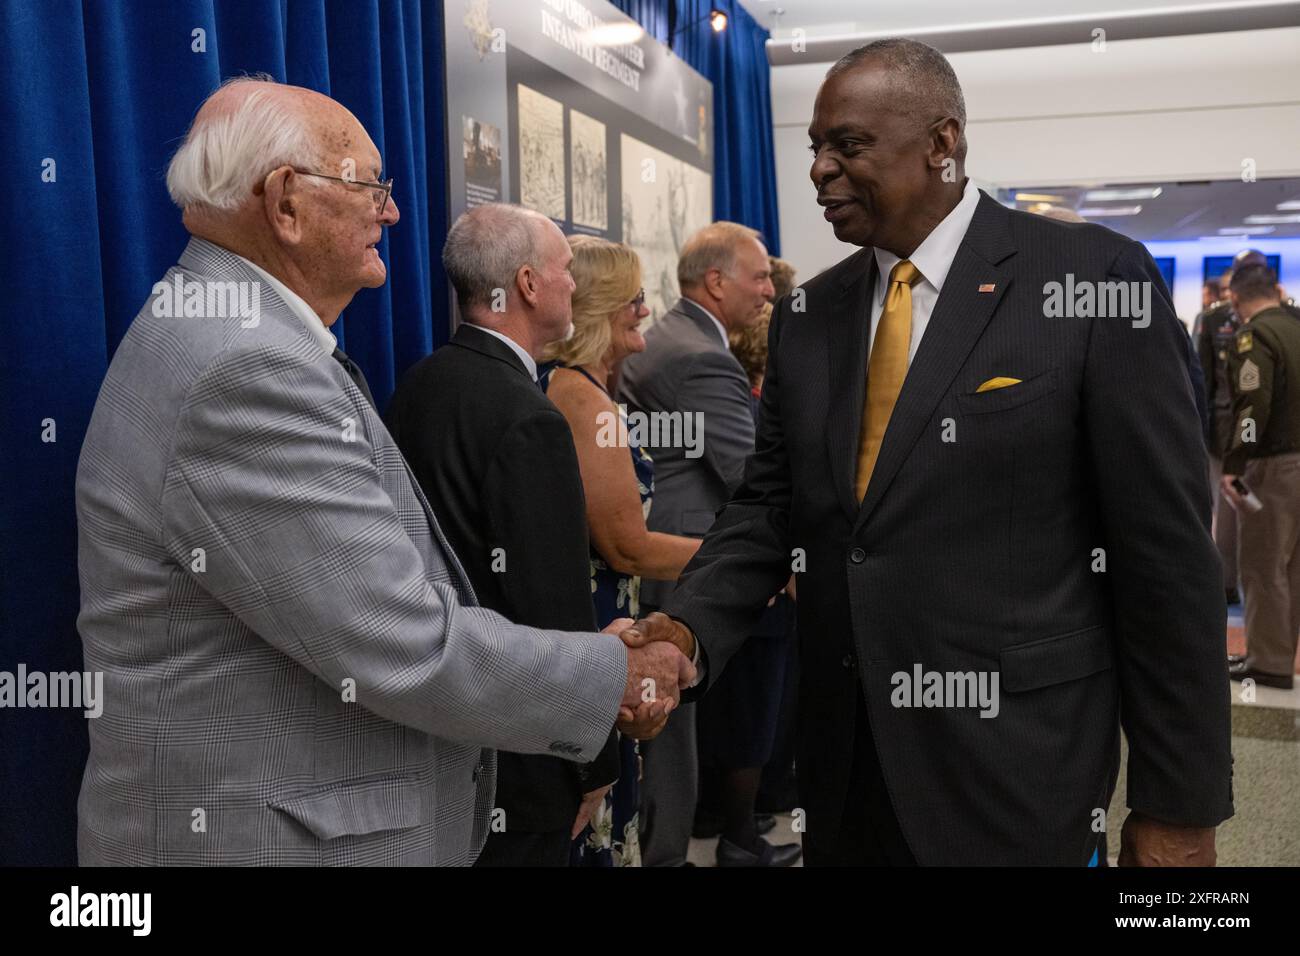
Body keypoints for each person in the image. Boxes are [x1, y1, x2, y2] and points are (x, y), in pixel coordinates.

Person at [622, 38, 1232, 866]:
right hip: (842, 770)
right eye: (814, 149)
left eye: (848, 145)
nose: (819, 172)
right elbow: (767, 511)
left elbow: (1166, 559)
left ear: (942, 144)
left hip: (1016, 772)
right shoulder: (811, 316)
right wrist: (683, 633)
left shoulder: (1089, 280)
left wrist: (1179, 808)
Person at [73, 77, 690, 866]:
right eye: (369, 186)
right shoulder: (245, 367)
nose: (392, 213)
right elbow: (399, 643)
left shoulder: (232, 335)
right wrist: (611, 673)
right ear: (287, 203)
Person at [385, 204, 622, 865]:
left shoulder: (419, 385)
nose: (575, 284)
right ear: (526, 283)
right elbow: (555, 607)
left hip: (435, 735)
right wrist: (595, 755)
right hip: (525, 760)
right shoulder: (529, 416)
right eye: (567, 270)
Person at [618, 222, 776, 867]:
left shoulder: (671, 339)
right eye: (760, 276)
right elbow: (752, 477)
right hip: (685, 555)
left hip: (665, 544)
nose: (770, 292)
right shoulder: (702, 356)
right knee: (670, 732)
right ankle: (665, 857)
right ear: (716, 282)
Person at [542, 236, 703, 865]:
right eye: (634, 298)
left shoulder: (584, 392)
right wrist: (733, 562)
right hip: (595, 628)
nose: (645, 310)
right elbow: (624, 544)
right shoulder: (581, 399)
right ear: (599, 307)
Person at [691, 301, 802, 866]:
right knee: (751, 717)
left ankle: (732, 821)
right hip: (754, 583)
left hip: (747, 577)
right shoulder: (740, 394)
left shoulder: (739, 388)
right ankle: (740, 837)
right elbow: (752, 483)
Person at [1221, 263, 1300, 691]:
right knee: (1293, 570)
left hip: (1276, 466)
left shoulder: (1255, 337)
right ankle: (1279, 654)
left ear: (1235, 299)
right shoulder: (1295, 328)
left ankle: (1267, 662)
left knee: (1263, 564)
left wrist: (1235, 464)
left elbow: (1253, 405)